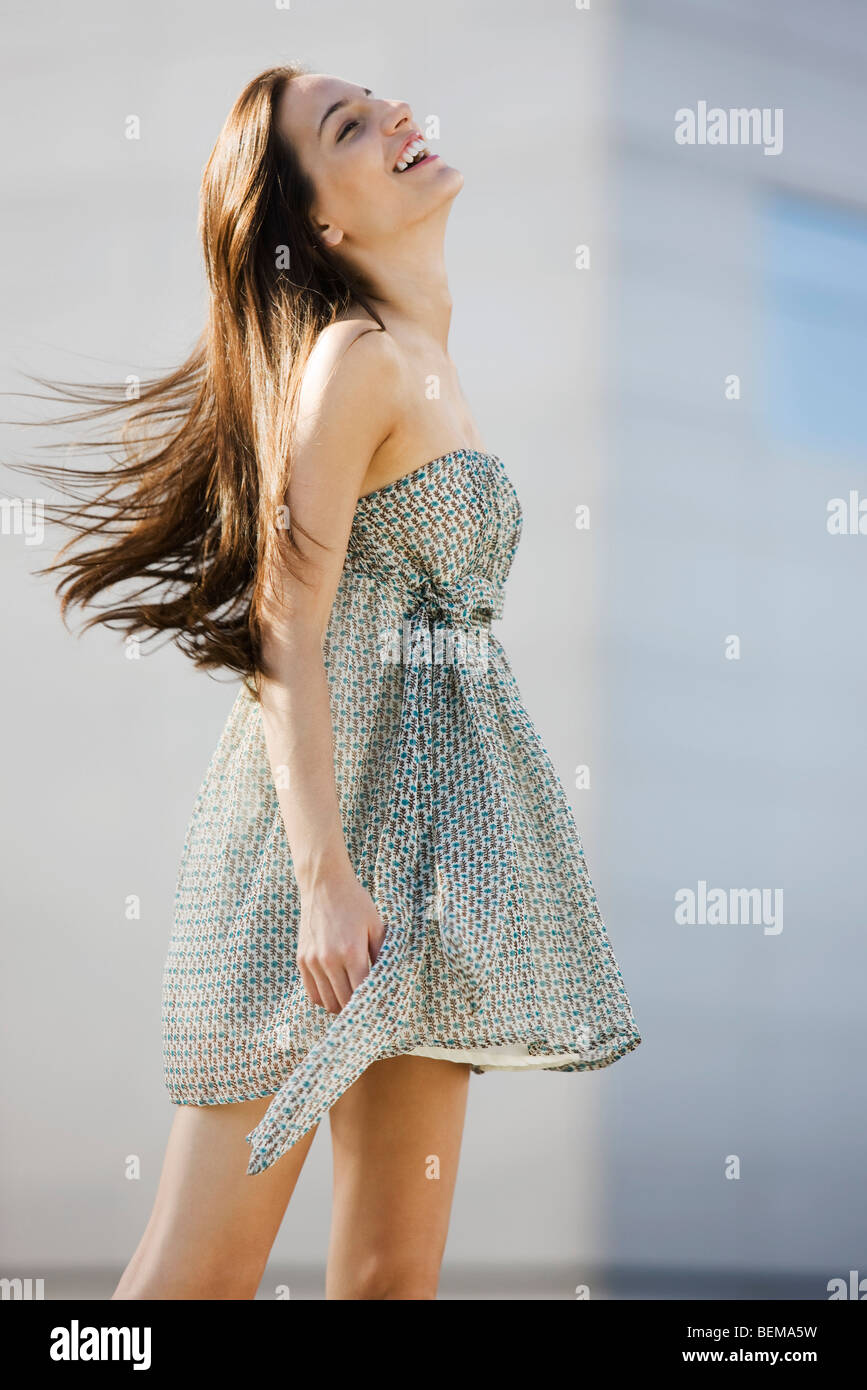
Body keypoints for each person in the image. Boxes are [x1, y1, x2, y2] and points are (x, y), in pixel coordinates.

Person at [19, 64, 641, 1300]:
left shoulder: (421, 351)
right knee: (195, 1278)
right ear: (324, 225)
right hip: (318, 888)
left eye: (379, 100)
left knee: (389, 1278)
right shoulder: (353, 359)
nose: (397, 116)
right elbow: (281, 631)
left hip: (427, 873)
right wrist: (323, 888)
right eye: (347, 127)